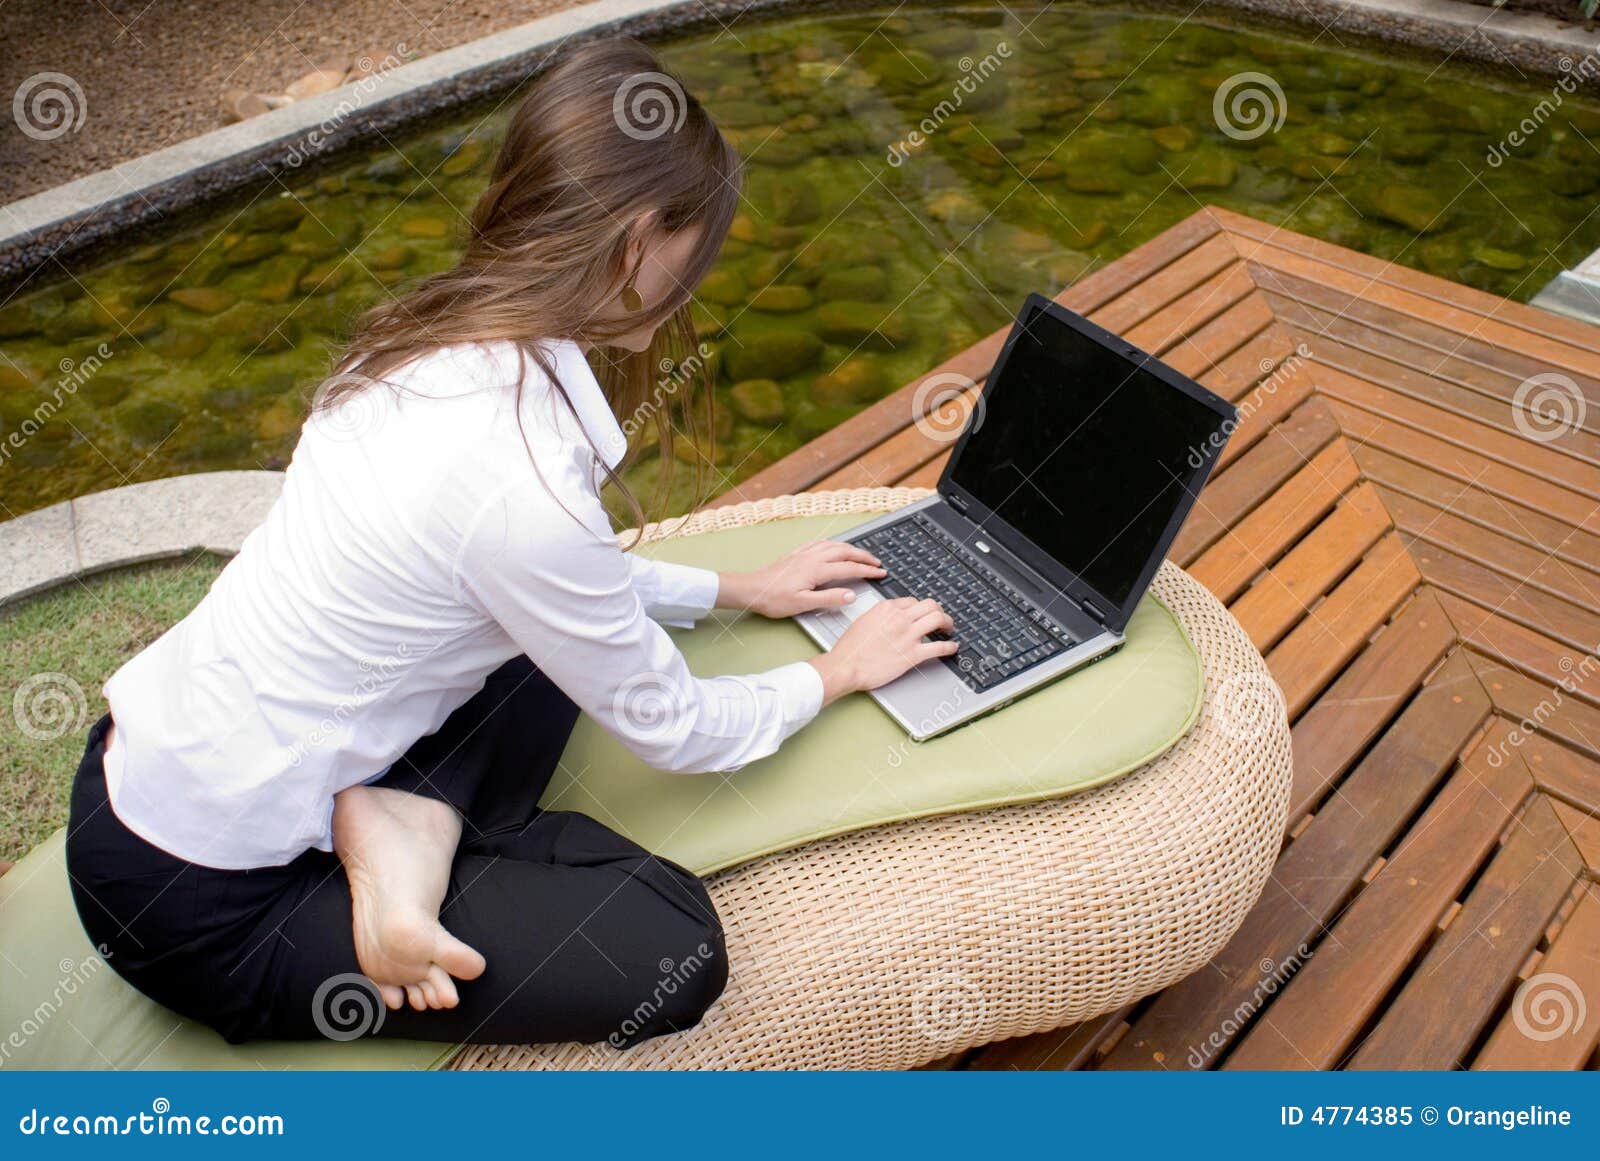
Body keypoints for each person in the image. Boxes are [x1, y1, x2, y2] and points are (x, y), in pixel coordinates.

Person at [64, 37, 956, 1047]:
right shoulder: (515, 474)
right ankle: (413, 830)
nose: (697, 280)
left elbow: (545, 577)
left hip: (132, 779)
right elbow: (673, 728)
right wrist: (836, 674)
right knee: (672, 949)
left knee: (543, 652)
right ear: (632, 247)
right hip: (201, 903)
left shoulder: (419, 339)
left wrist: (739, 590)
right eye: (693, 250)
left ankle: (410, 819)